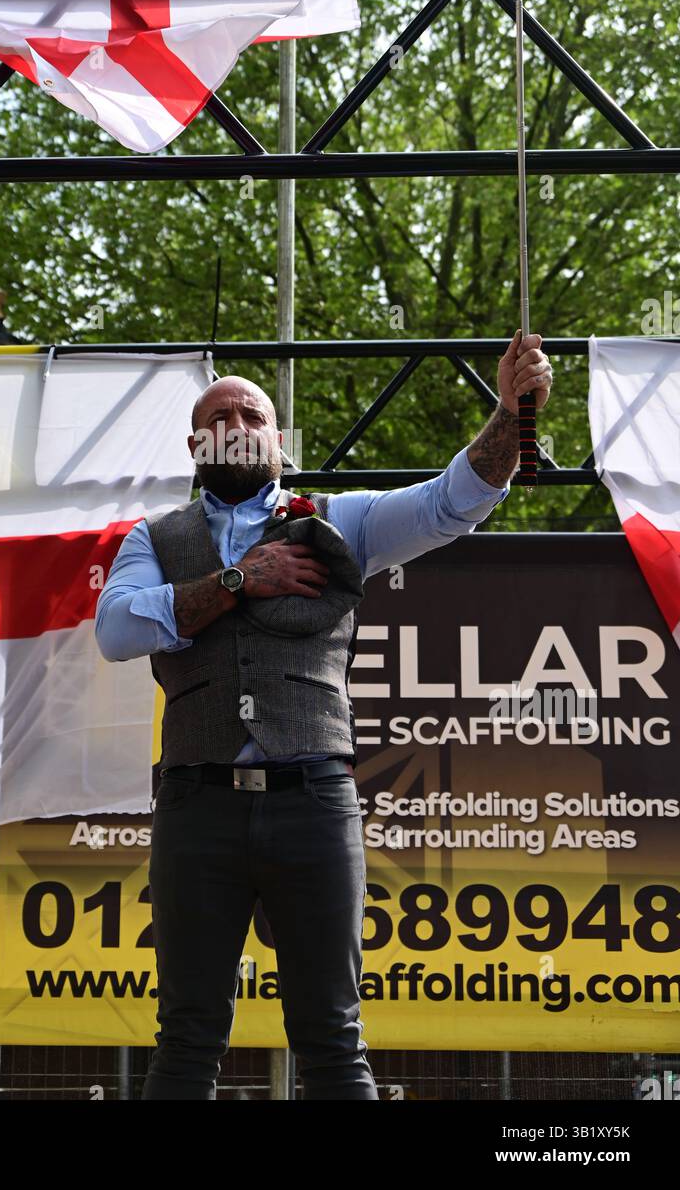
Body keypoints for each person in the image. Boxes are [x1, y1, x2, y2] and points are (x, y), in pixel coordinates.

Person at [95, 329, 553, 1100]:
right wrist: (243, 578)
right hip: (195, 804)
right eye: (222, 418)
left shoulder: (343, 518)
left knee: (333, 1041)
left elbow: (453, 500)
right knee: (186, 1040)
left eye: (252, 416)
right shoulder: (155, 537)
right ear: (195, 443)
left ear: (279, 439)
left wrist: (509, 414)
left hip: (313, 801)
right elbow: (117, 630)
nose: (238, 427)